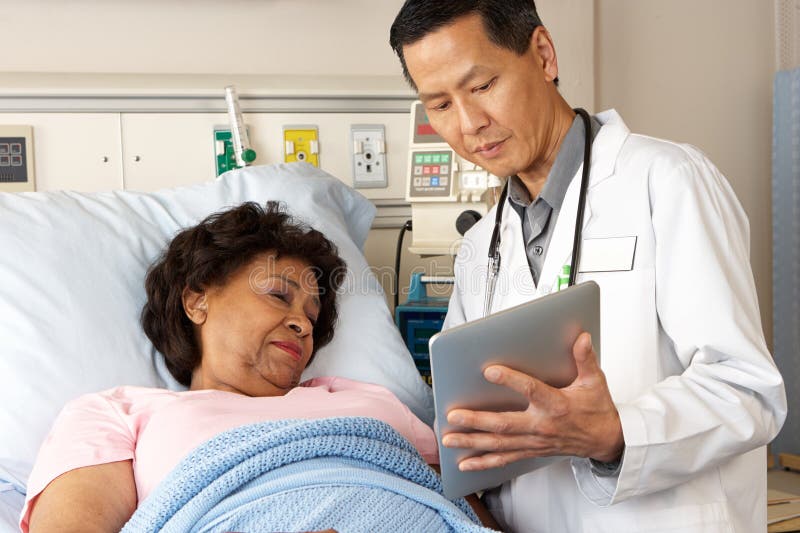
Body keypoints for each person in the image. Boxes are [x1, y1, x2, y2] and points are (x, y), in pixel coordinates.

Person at [390, 1, 788, 532]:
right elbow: (469, 429)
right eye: (439, 104)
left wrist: (616, 431)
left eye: (482, 86)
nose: (469, 124)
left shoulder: (667, 182)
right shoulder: (480, 247)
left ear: (544, 54)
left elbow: (749, 392)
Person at [21, 202, 496, 532]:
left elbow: (463, 508)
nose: (302, 325)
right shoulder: (122, 413)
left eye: (311, 317)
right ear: (197, 299)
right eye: (277, 296)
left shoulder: (367, 400)